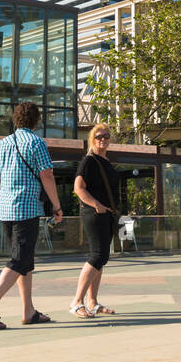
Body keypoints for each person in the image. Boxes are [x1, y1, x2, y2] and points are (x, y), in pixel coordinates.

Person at [0, 102, 64, 329]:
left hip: (5, 210)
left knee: (26, 261)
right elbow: (47, 175)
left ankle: (28, 311)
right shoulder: (37, 143)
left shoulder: (2, 144)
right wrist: (56, 205)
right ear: (37, 121)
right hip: (27, 209)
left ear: (15, 120)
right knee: (19, 260)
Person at [69, 123, 121, 317]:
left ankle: (93, 302)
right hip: (94, 213)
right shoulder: (89, 161)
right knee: (97, 255)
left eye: (106, 136)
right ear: (92, 139)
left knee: (102, 258)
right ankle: (76, 302)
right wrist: (96, 204)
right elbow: (78, 187)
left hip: (107, 214)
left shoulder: (106, 161)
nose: (103, 139)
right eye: (99, 136)